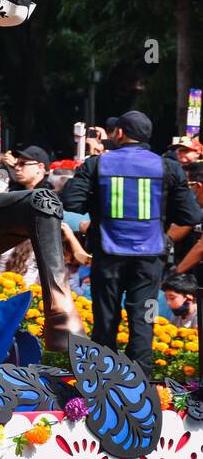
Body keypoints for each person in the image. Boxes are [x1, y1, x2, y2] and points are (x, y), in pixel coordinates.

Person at [61, 111, 203, 372]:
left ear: (120, 133)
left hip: (108, 257)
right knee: (143, 320)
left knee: (105, 321)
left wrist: (97, 202)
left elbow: (70, 202)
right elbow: (191, 215)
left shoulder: (97, 164)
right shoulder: (167, 167)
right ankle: (141, 384)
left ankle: (103, 381)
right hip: (148, 261)